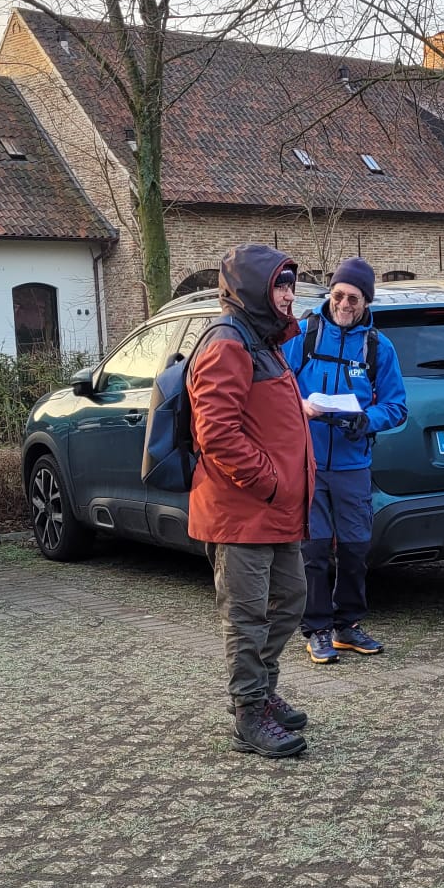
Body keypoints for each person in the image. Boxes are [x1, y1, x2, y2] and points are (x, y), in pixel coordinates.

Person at [186, 243, 317, 758]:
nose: (288, 295)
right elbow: (217, 434)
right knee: (247, 617)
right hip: (242, 511)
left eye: (290, 285)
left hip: (275, 510)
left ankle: (262, 692)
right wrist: (271, 482)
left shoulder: (264, 339)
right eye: (280, 285)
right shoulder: (228, 343)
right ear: (254, 289)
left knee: (290, 601)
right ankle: (248, 714)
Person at [282, 256, 408, 663]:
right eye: (338, 295)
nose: (344, 304)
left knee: (355, 549)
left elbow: (397, 406)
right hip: (309, 463)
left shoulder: (378, 347)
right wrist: (301, 406)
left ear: (366, 301)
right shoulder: (303, 335)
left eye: (354, 298)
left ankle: (347, 626)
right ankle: (317, 629)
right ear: (330, 294)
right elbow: (278, 388)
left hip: (353, 464)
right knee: (315, 551)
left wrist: (366, 420)